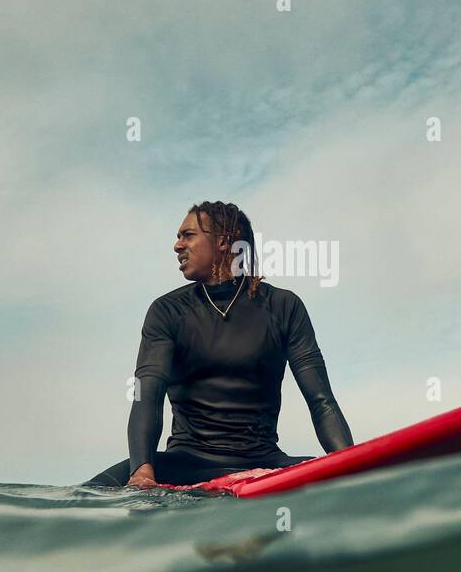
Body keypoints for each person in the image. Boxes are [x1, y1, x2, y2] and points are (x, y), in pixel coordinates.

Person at [84, 201, 354, 488]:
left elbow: (321, 401)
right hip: (185, 464)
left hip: (264, 464)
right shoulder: (168, 311)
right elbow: (146, 395)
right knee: (88, 496)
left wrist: (350, 464)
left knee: (332, 474)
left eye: (188, 235)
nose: (177, 245)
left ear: (223, 241)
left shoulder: (283, 307)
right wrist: (143, 470)